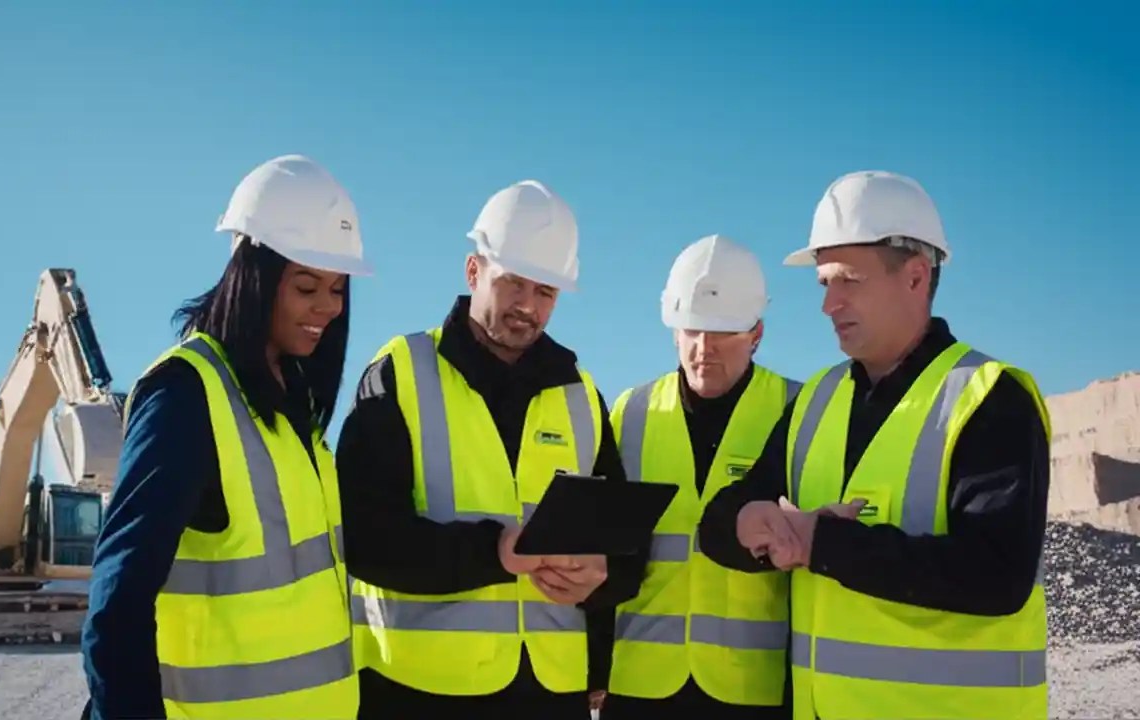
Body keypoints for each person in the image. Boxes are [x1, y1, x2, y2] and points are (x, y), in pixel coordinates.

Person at [699, 170, 1050, 720]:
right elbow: (722, 519)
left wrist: (824, 542)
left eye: (848, 281)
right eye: (823, 285)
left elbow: (996, 576)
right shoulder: (816, 401)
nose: (828, 305)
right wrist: (748, 522)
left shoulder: (989, 399)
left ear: (915, 277)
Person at [335, 179, 647, 719]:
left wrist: (604, 579)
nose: (528, 307)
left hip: (552, 693)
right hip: (417, 690)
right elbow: (362, 537)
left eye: (546, 292)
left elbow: (620, 550)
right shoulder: (400, 373)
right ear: (473, 271)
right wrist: (493, 552)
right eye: (514, 284)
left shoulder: (582, 397)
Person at [80, 154, 374, 720]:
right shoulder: (186, 399)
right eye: (307, 286)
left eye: (337, 290)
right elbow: (116, 608)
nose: (327, 309)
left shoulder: (294, 406)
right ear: (254, 276)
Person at [597, 234, 798, 720]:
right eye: (691, 330)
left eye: (723, 331)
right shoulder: (633, 412)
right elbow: (607, 546)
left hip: (753, 687)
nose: (704, 348)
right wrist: (595, 663)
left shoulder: (798, 409)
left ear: (756, 333)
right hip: (641, 679)